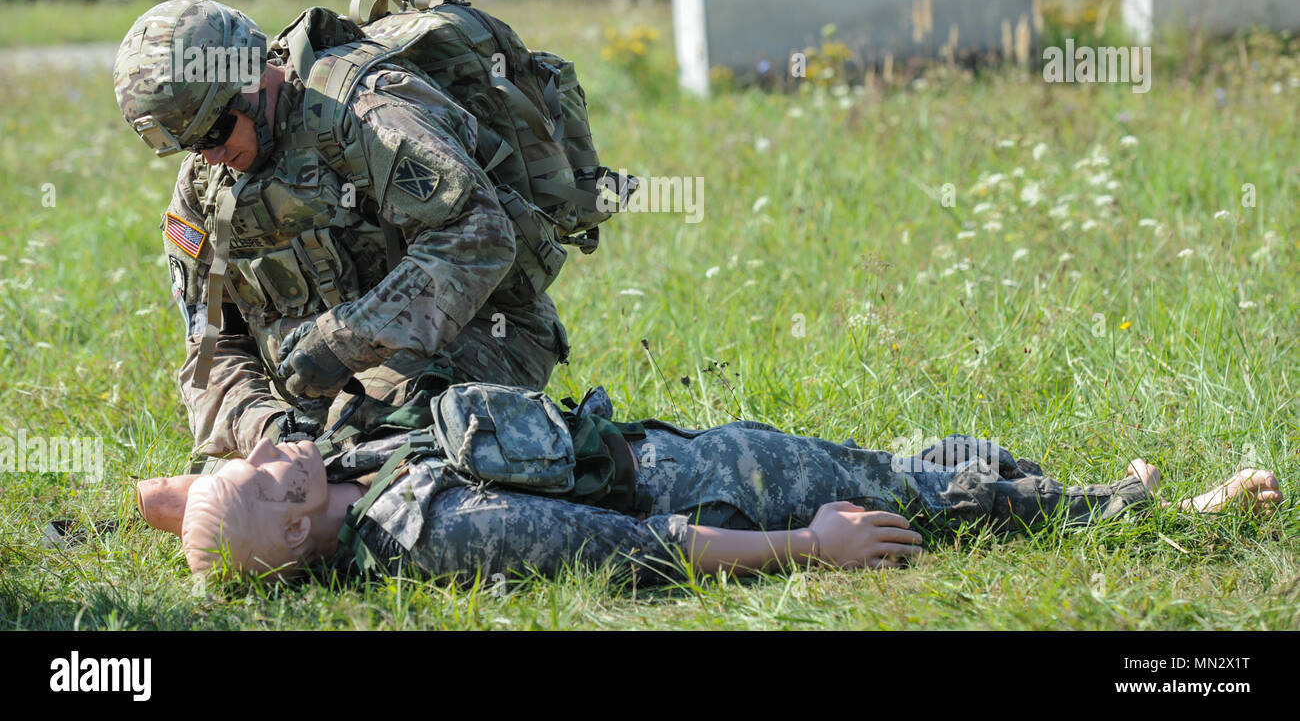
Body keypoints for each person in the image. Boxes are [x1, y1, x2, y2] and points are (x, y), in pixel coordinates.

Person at [137, 394, 1283, 584]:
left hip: (678, 444)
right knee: (918, 498)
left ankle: (1087, 486)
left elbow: (199, 504)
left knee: (907, 461)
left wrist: (196, 513)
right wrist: (806, 543)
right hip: (724, 492)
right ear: (299, 522)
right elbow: (635, 548)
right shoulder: (439, 529)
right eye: (262, 470)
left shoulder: (326, 486)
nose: (272, 445)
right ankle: (1161, 512)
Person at [113, 0, 575, 466]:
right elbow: (211, 345)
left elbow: (480, 235)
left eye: (215, 134)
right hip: (321, 392)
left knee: (369, 460)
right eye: (192, 146)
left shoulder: (364, 114)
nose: (210, 157)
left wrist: (346, 338)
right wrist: (265, 425)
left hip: (474, 334)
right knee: (244, 482)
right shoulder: (203, 185)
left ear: (250, 78)